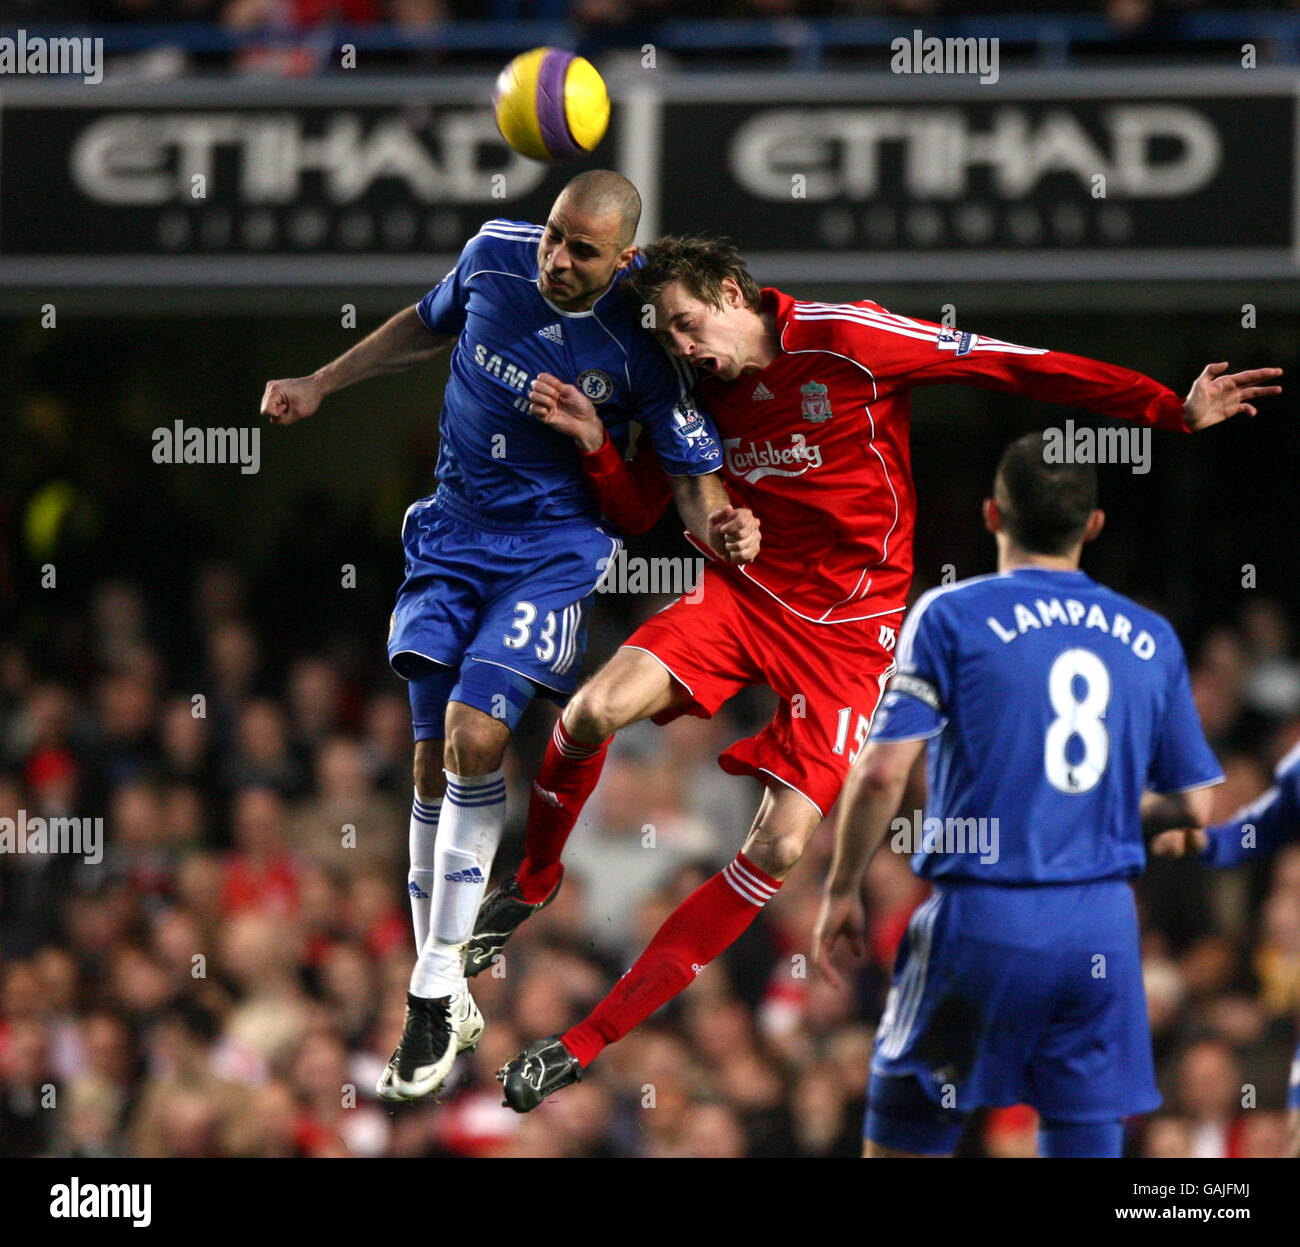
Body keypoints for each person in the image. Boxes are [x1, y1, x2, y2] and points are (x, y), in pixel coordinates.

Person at [479, 235, 1281, 1111]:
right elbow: (646, 503)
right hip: (748, 594)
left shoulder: (851, 341)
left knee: (780, 848)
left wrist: (1168, 409)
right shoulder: (681, 383)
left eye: (687, 323)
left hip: (851, 640)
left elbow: (1015, 367)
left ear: (733, 290)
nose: (682, 345)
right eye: (667, 334)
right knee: (592, 709)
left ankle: (585, 1040)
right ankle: (533, 879)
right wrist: (610, 452)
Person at [258, 175, 758, 1102]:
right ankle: (444, 986)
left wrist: (722, 521)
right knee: (424, 765)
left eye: (583, 252)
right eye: (556, 239)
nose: (558, 260)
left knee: (474, 738)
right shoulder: (494, 252)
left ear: (622, 261)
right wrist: (321, 381)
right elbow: (421, 322)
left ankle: (431, 988)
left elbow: (690, 472)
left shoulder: (646, 345)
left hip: (551, 553)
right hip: (448, 535)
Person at [811, 434, 1225, 1158]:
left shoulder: (949, 615)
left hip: (984, 921)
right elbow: (1195, 809)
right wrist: (1103, 817)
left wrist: (842, 884)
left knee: (909, 1137)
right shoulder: (1152, 636)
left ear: (992, 515)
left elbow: (880, 773)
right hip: (1101, 931)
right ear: (1093, 526)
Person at [1151, 742, 1300, 1156]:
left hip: (1272, 1085)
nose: (1284, 910)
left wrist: (1268, 1021)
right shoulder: (1252, 946)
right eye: (1283, 891)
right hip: (1241, 1072)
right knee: (1202, 1066)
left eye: (1297, 895)